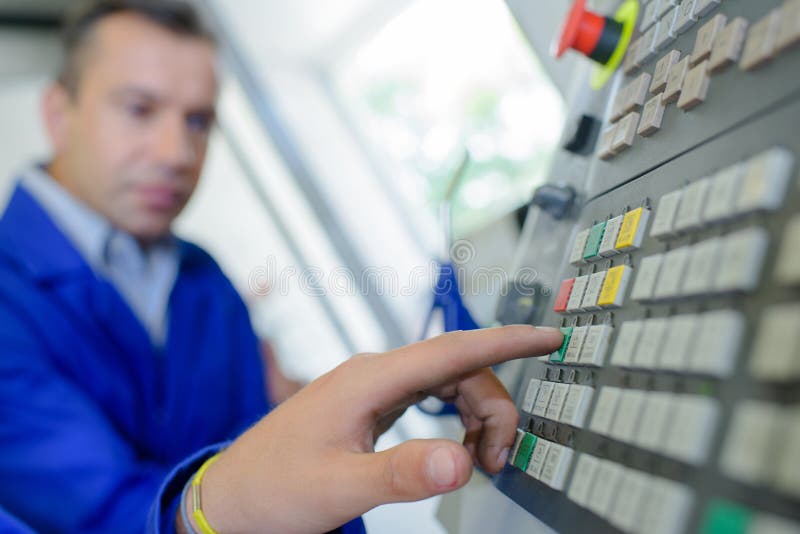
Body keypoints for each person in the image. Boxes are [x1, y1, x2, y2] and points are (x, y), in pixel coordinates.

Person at [0, 1, 564, 533]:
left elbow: (255, 439)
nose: (176, 153)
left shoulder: (200, 274)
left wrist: (383, 388)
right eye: (139, 110)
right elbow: (102, 517)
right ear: (58, 114)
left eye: (197, 121)